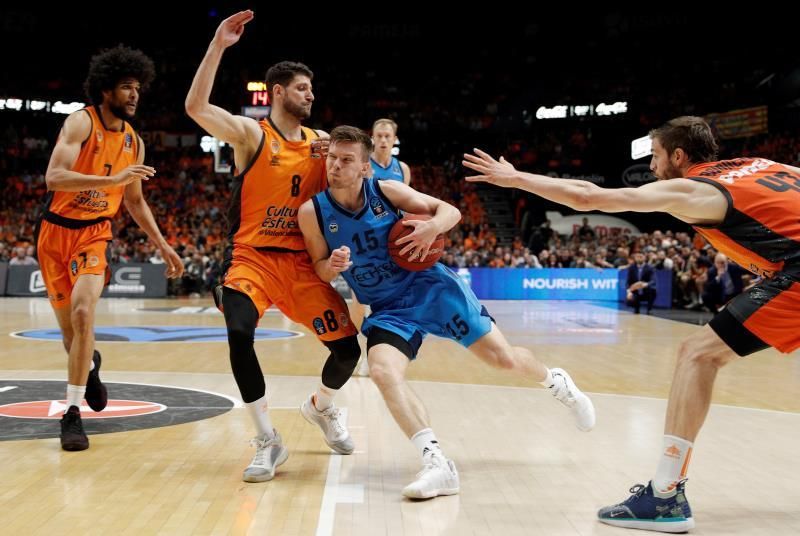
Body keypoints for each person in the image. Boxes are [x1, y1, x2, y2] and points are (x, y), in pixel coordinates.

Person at [463, 115, 800, 532]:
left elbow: (588, 197)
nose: (653, 168)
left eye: (657, 157)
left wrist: (517, 179)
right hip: (786, 267)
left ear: (678, 156)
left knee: (697, 354)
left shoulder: (694, 189)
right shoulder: (767, 165)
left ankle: (664, 496)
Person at [299, 126, 595, 499]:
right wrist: (334, 265)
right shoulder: (313, 212)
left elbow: (449, 211)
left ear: (364, 167)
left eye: (346, 160)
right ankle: (437, 463)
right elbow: (319, 267)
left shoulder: (385, 191)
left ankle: (556, 383)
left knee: (503, 360)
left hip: (431, 287)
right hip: (389, 309)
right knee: (382, 371)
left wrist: (432, 228)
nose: (336, 166)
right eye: (332, 159)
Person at [185, 10, 360, 483]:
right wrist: (218, 45)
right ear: (279, 92)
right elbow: (197, 108)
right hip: (253, 257)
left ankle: (321, 408)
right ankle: (267, 439)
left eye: (312, 88)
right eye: (304, 88)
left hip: (304, 263)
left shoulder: (322, 143)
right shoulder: (251, 134)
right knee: (239, 333)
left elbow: (357, 181)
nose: (312, 94)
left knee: (347, 352)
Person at [39, 44, 184, 451]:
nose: (135, 95)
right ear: (106, 91)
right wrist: (111, 179)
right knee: (73, 338)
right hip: (54, 235)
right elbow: (53, 178)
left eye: (138, 87)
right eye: (126, 87)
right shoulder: (80, 124)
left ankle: (71, 415)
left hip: (93, 234)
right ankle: (91, 365)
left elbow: (135, 202)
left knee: (85, 311)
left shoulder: (134, 142)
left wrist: (163, 245)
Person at [370, 118, 411, 185]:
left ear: (394, 139)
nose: (383, 140)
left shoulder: (403, 169)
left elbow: (405, 195)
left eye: (387, 136)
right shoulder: (362, 165)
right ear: (373, 139)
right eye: (379, 136)